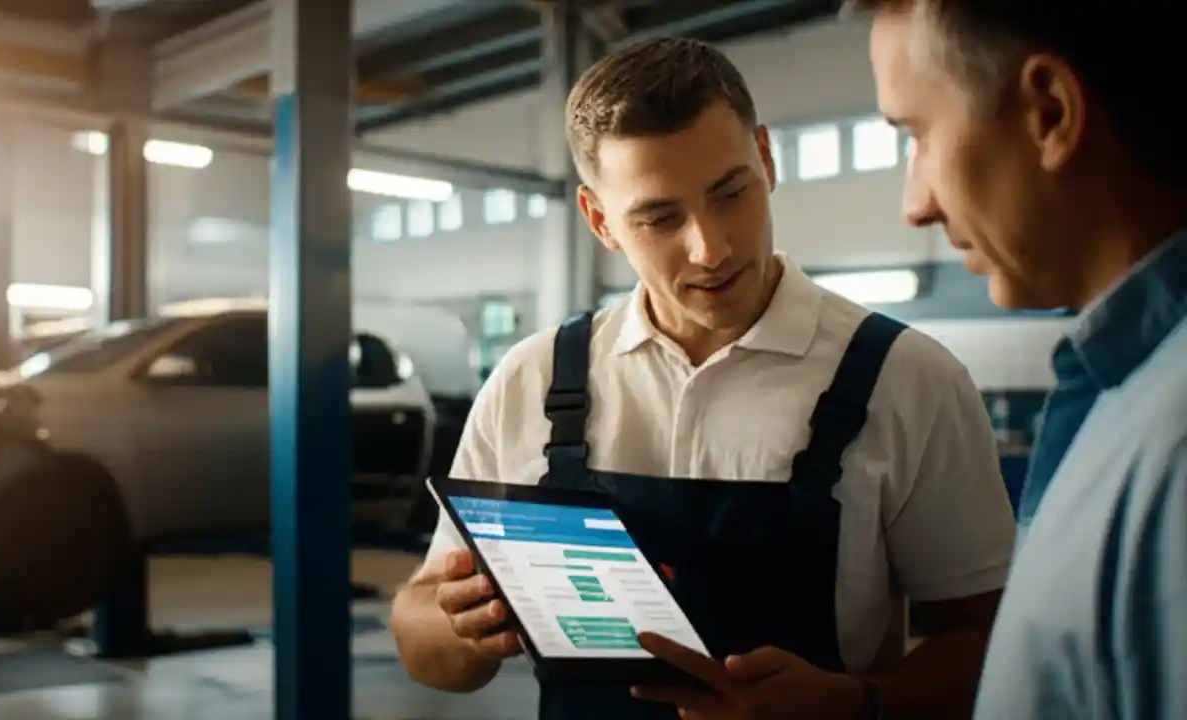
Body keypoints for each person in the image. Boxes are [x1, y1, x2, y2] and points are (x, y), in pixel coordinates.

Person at [391, 37, 1016, 720]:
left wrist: (851, 704)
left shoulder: (908, 380)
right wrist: (460, 629)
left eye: (731, 193)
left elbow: (992, 642)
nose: (711, 247)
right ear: (600, 220)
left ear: (767, 159)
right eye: (659, 217)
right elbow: (426, 641)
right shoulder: (531, 381)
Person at [854, 1, 1187, 717]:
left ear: (1050, 113)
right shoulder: (1120, 394)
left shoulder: (1173, 446)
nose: (915, 206)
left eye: (918, 135)